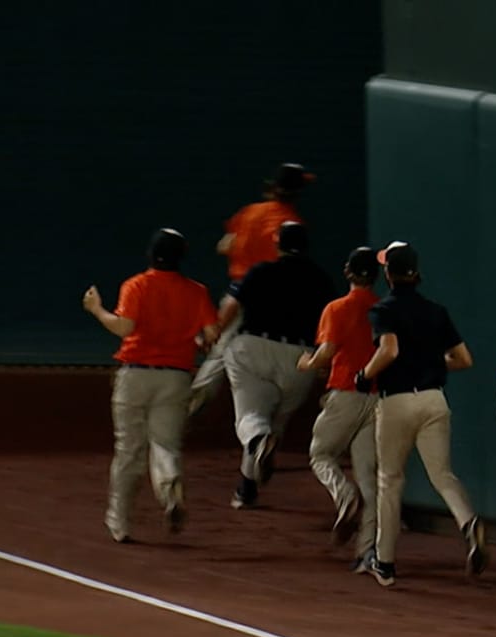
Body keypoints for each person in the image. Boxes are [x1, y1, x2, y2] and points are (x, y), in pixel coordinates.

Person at [357, 241, 487, 587]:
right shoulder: (436, 311)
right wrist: (431, 362)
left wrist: (364, 375)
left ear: (388, 273)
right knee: (442, 474)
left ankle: (384, 563)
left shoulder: (383, 310)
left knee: (390, 481)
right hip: (433, 399)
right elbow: (463, 359)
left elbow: (389, 349)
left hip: (397, 401)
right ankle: (468, 521)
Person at [82, 228, 218, 543]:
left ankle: (120, 522)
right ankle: (170, 491)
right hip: (176, 376)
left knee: (129, 450)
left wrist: (96, 309)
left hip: (136, 374)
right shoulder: (196, 292)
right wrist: (193, 338)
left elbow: (124, 327)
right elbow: (211, 335)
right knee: (166, 445)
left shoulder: (136, 285)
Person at [216, 220, 336, 509]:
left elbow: (230, 307)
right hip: (301, 357)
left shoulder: (261, 271)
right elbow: (332, 328)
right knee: (273, 424)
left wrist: (216, 333)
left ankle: (257, 446)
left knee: (252, 419)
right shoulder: (322, 280)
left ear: (277, 242)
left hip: (253, 348)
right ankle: (247, 489)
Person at [191, 161, 315, 418]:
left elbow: (223, 245)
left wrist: (246, 247)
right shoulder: (291, 222)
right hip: (270, 298)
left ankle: (193, 401)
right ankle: (267, 418)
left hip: (239, 291)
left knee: (221, 351)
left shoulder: (250, 213)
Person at [297, 246, 381, 565]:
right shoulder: (382, 308)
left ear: (348, 272)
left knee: (321, 454)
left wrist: (308, 363)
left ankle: (344, 496)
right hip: (376, 397)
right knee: (368, 476)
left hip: (346, 392)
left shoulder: (337, 308)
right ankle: (367, 549)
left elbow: (327, 352)